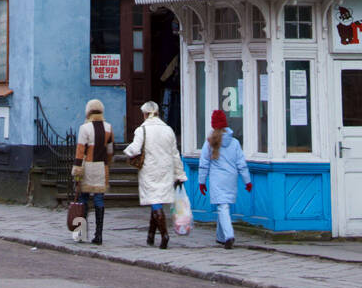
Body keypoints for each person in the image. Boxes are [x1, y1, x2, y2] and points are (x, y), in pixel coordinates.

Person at [123, 100, 187, 249]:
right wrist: (180, 174)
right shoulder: (168, 130)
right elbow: (175, 154)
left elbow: (135, 149)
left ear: (145, 114)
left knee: (155, 201)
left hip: (150, 170)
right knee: (156, 201)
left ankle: (164, 235)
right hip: (165, 169)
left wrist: (127, 152)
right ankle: (151, 236)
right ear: (158, 113)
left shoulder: (142, 130)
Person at [198, 109, 252, 249]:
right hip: (231, 178)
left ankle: (229, 235)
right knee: (224, 206)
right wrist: (247, 180)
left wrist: (202, 182)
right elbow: (241, 163)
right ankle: (220, 237)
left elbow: (204, 164)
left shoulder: (210, 142)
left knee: (222, 206)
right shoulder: (234, 143)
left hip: (217, 178)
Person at [71, 98, 114, 245]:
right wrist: (107, 163)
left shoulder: (85, 128)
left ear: (88, 111)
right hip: (102, 167)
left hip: (87, 166)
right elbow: (110, 151)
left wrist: (77, 169)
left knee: (83, 199)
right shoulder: (108, 127)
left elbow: (80, 150)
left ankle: (81, 233)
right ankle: (99, 235)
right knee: (99, 199)